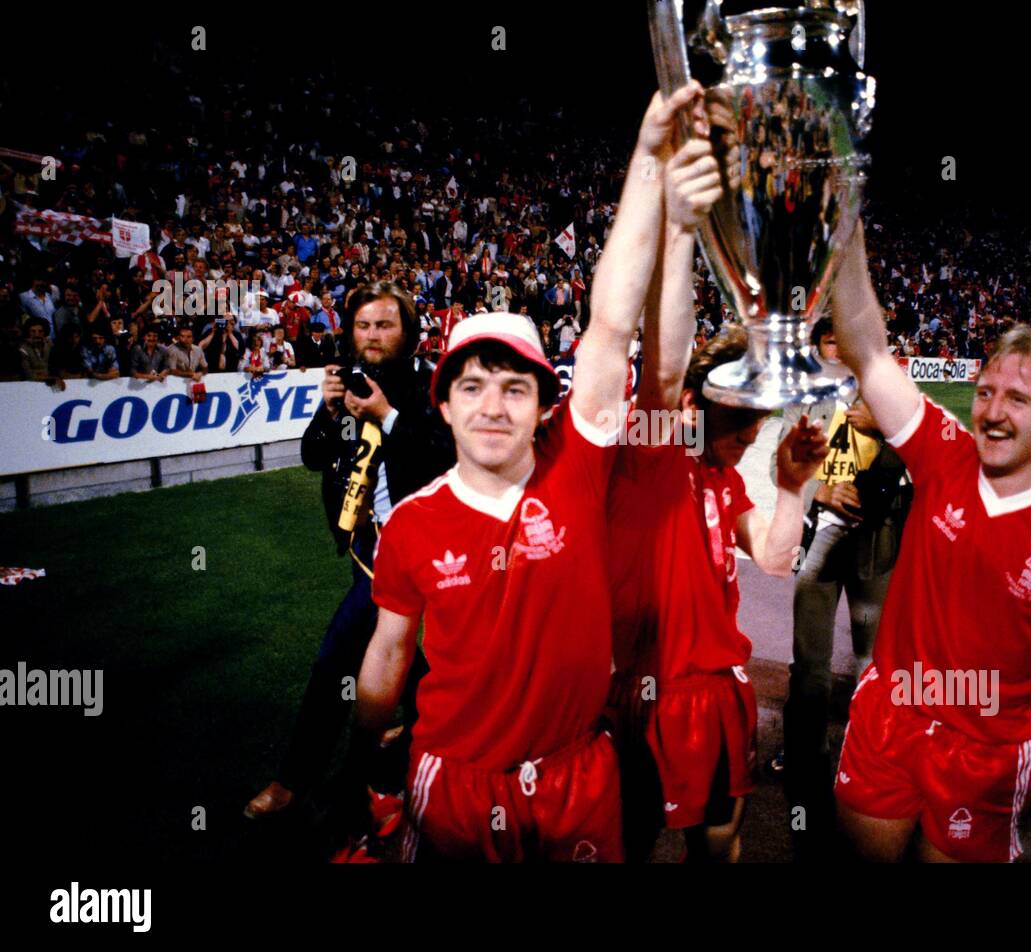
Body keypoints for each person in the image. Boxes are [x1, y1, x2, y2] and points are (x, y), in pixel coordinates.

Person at [351, 87, 702, 863]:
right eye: (470, 386)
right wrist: (371, 749)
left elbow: (612, 328)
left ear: (547, 403)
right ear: (441, 406)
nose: (493, 406)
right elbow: (386, 655)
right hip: (457, 781)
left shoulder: (573, 470)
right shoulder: (411, 521)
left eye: (516, 387)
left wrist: (647, 161)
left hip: (580, 771)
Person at [829, 222, 1031, 862]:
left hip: (989, 754)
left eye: (1019, 399)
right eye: (986, 392)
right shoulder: (943, 453)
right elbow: (866, 348)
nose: (992, 411)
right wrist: (842, 231)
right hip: (891, 715)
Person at [605, 128, 829, 863]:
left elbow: (771, 556)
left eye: (760, 416)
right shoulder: (654, 455)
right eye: (740, 414)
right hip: (647, 687)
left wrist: (793, 488)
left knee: (720, 841)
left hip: (719, 687)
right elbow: (666, 360)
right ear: (704, 405)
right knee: (630, 837)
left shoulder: (725, 479)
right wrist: (679, 226)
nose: (754, 429)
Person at [244, 281, 456, 823]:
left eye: (384, 325)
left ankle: (320, 779)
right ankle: (389, 744)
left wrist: (387, 415)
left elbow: (444, 456)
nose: (372, 335)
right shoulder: (346, 382)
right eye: (363, 325)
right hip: (369, 547)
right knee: (382, 658)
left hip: (425, 546)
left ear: (407, 332)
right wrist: (327, 408)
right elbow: (315, 456)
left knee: (353, 658)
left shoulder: (433, 384)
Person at [769, 325, 909, 861]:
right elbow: (782, 465)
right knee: (810, 663)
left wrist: (891, 431)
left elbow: (928, 462)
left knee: (876, 660)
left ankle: (871, 759)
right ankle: (806, 757)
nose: (841, 353)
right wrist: (819, 488)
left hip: (877, 543)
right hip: (821, 537)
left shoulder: (891, 392)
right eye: (832, 343)